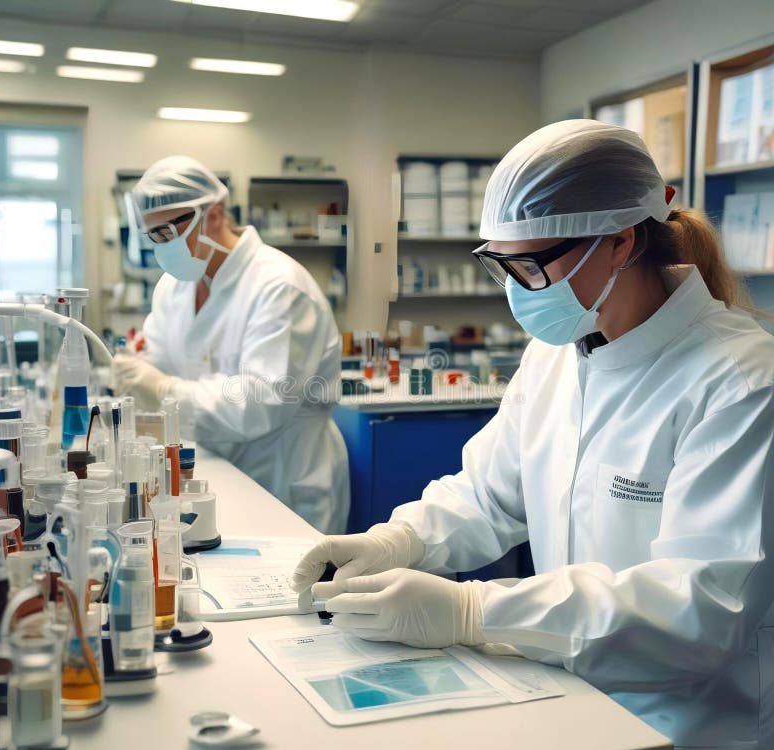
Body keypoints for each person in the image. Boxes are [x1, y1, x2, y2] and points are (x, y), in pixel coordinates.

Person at [291, 121, 774, 748]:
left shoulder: (739, 381)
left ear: (620, 242)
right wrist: (398, 541)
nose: (517, 292)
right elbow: (487, 495)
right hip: (562, 694)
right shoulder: (559, 351)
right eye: (501, 265)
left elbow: (700, 610)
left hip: (687, 722)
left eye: (529, 266)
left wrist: (475, 612)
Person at [113, 156, 349, 534]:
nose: (162, 247)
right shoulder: (172, 288)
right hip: (210, 472)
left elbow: (260, 403)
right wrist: (135, 369)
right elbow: (155, 358)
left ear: (214, 216)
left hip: (283, 480)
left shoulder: (279, 287)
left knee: (291, 589)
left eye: (168, 232)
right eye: (153, 236)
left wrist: (161, 389)